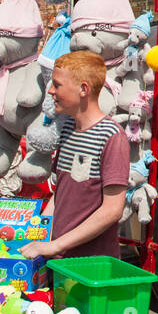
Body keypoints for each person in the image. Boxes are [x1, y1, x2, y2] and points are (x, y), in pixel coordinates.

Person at [20, 51, 129, 261]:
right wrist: (41, 234)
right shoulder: (67, 128)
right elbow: (60, 192)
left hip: (88, 266)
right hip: (58, 260)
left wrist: (55, 245)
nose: (50, 91)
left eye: (57, 85)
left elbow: (112, 210)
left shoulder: (112, 136)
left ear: (83, 89)